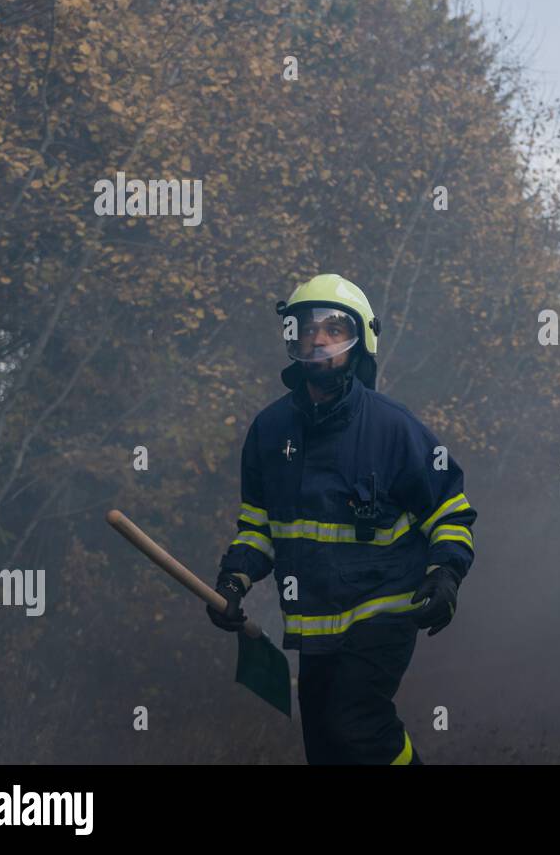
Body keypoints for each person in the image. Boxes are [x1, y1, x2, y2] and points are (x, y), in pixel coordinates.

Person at [207, 273, 476, 764]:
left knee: (357, 724)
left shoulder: (393, 427)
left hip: (384, 611)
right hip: (314, 624)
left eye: (334, 328)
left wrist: (446, 573)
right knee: (327, 747)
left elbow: (448, 509)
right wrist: (233, 580)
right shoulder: (269, 431)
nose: (319, 338)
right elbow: (259, 526)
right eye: (308, 328)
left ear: (359, 342)